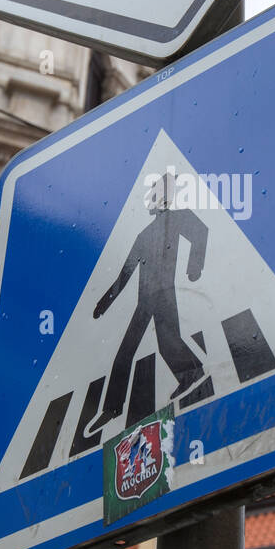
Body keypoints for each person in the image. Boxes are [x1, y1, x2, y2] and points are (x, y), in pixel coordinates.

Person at [85, 174, 208, 436]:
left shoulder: (178, 218)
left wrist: (194, 268)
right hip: (145, 300)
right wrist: (102, 304)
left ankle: (192, 371)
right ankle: (112, 409)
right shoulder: (144, 234)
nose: (150, 201)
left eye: (154, 195)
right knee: (130, 351)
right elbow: (124, 275)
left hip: (164, 293)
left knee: (163, 343)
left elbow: (201, 232)